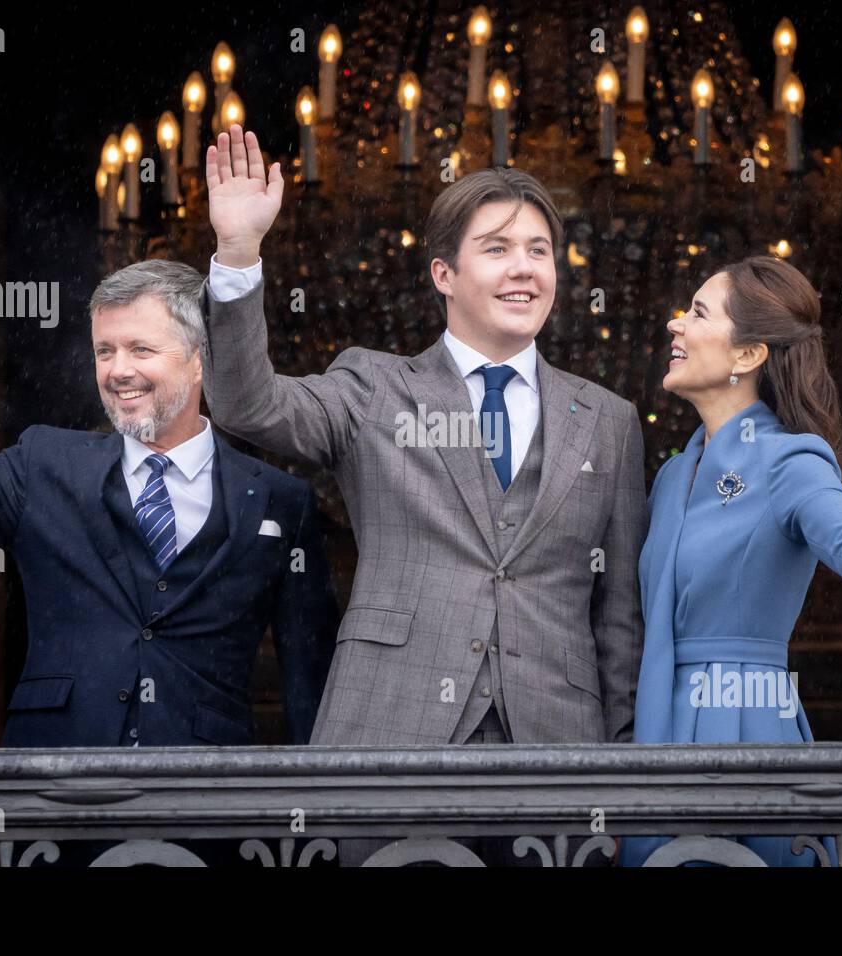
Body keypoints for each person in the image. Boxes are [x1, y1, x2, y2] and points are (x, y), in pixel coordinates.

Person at [199, 126, 647, 865]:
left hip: (558, 755)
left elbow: (619, 618)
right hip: (389, 736)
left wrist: (622, 772)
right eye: (497, 249)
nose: (524, 269)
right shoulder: (375, 387)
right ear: (444, 273)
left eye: (539, 250)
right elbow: (249, 404)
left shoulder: (608, 420)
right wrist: (240, 255)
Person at [0, 213, 339, 751]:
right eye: (104, 351)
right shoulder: (45, 465)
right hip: (55, 782)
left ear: (199, 361)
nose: (117, 370)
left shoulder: (280, 501)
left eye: (141, 349)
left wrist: (304, 808)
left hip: (204, 791)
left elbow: (311, 679)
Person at [620, 256, 842, 868]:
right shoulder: (671, 475)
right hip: (659, 719)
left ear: (748, 355)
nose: (675, 325)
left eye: (696, 312)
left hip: (743, 722)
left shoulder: (793, 459)